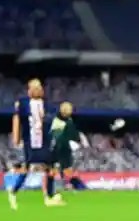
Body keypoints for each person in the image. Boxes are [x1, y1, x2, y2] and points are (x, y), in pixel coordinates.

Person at [8, 79, 63, 209]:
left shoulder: (46, 104)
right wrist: (16, 137)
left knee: (50, 167)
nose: (39, 90)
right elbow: (17, 119)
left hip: (45, 139)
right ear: (30, 90)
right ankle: (13, 191)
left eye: (40, 88)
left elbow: (54, 118)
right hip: (30, 140)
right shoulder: (23, 104)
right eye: (35, 88)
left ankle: (49, 197)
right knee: (26, 168)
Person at [50, 102, 89, 195]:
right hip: (62, 147)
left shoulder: (59, 120)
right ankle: (67, 184)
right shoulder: (65, 122)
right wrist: (79, 141)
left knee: (61, 167)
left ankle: (62, 185)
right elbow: (69, 135)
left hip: (60, 147)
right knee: (64, 167)